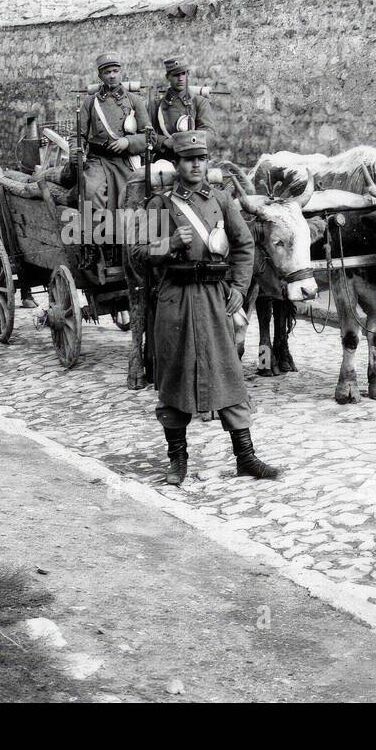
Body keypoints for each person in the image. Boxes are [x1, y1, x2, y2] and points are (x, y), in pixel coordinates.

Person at [131, 130, 278, 485]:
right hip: (175, 301)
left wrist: (240, 289)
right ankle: (177, 461)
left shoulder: (223, 200)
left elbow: (244, 246)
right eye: (188, 159)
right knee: (174, 379)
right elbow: (137, 253)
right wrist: (167, 243)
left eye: (201, 159)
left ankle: (246, 457)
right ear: (177, 164)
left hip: (214, 298)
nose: (195, 165)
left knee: (228, 374)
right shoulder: (159, 205)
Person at [77, 53, 152, 212]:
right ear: (100, 75)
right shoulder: (90, 102)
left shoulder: (134, 100)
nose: (112, 75)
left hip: (125, 160)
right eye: (107, 72)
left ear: (121, 72)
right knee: (91, 192)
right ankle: (95, 234)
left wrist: (128, 142)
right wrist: (76, 153)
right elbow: (78, 134)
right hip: (98, 160)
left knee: (130, 200)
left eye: (115, 71)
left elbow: (148, 136)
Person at [149, 55, 215, 162]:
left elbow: (208, 133)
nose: (180, 78)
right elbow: (147, 134)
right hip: (166, 159)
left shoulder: (199, 102)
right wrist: (164, 141)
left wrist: (184, 142)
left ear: (187, 74)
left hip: (194, 158)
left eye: (183, 74)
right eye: (175, 75)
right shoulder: (157, 105)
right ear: (167, 77)